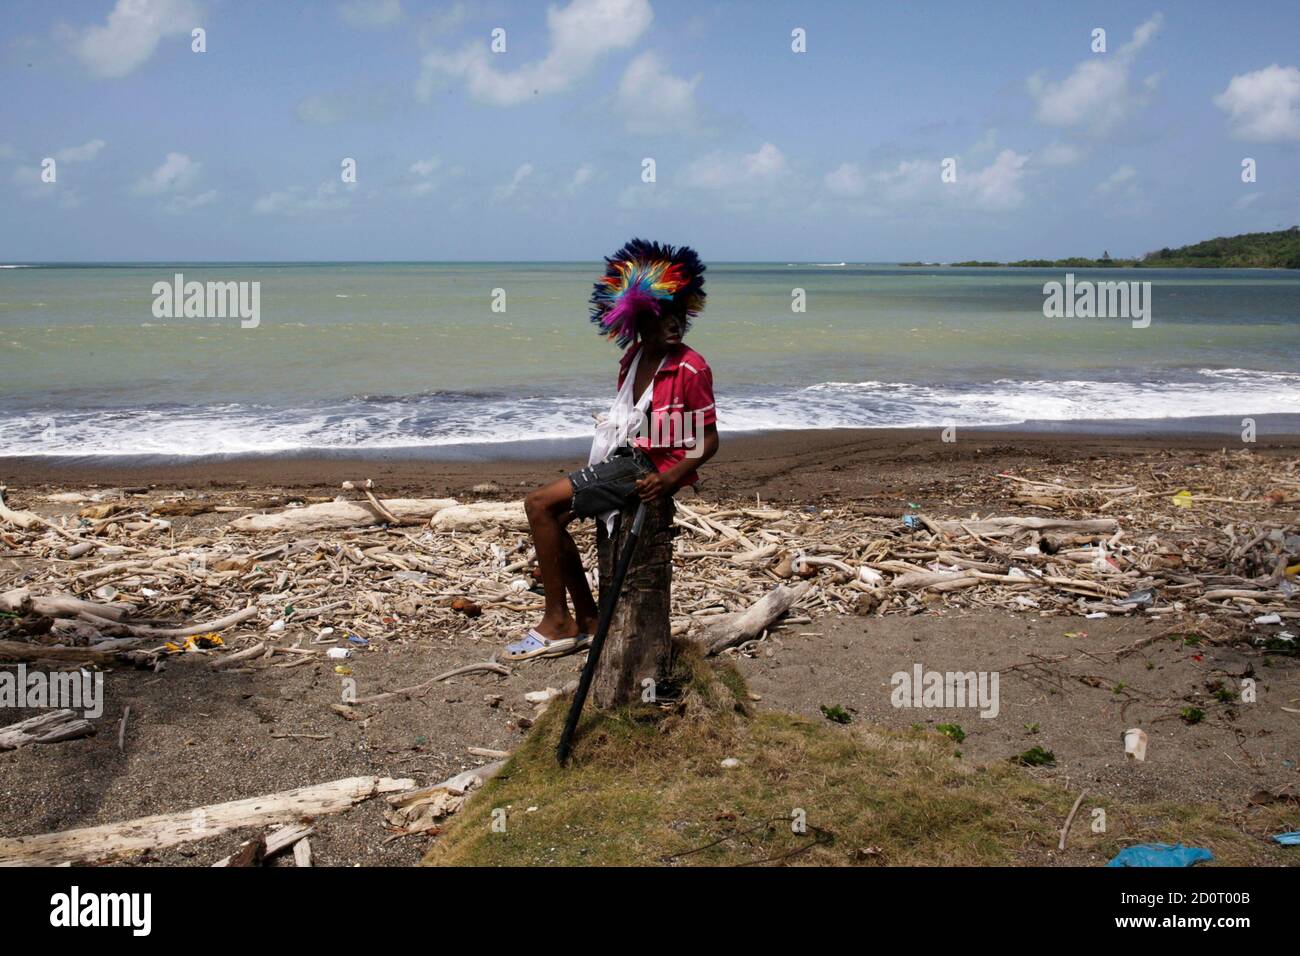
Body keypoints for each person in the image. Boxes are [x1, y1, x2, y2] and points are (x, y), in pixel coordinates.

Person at [501, 239, 720, 662]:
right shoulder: (634, 359)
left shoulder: (691, 367)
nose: (674, 323)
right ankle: (587, 619)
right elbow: (636, 421)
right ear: (640, 321)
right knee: (554, 517)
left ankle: (557, 621)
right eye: (661, 315)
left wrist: (669, 479)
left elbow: (706, 441)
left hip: (643, 469)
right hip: (623, 458)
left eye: (678, 313)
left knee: (537, 504)